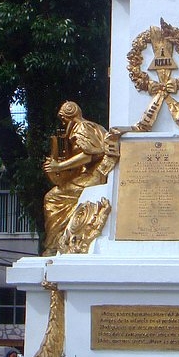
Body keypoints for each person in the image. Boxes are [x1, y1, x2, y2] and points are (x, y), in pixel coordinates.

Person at [42, 102, 114, 255]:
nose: (63, 123)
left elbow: (88, 155)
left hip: (94, 176)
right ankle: (58, 241)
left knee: (52, 198)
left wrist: (59, 166)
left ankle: (53, 245)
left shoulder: (81, 127)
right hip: (92, 174)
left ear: (70, 116)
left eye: (63, 119)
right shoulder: (90, 126)